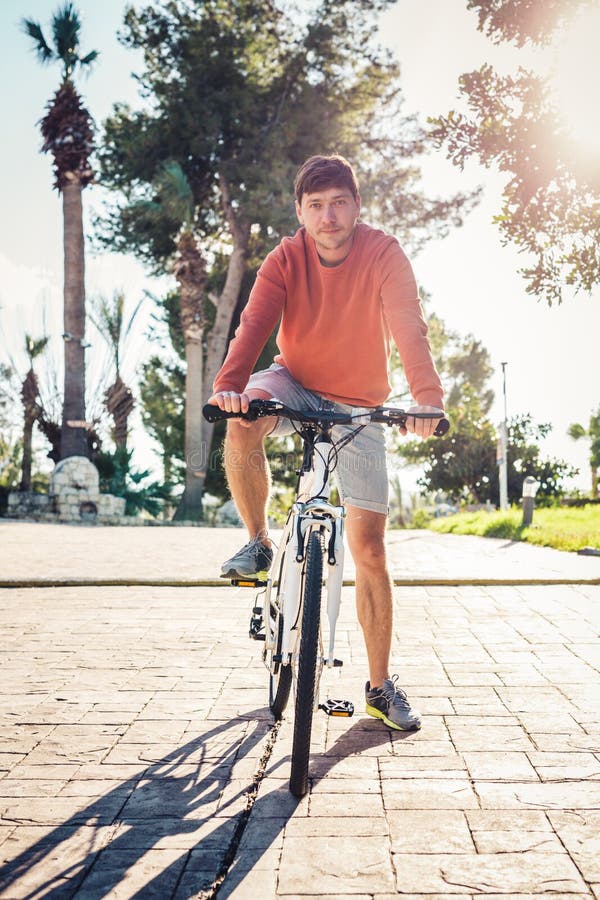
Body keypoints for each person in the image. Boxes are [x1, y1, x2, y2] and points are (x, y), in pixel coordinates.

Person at [207, 154, 445, 731]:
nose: (328, 215)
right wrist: (228, 388)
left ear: (356, 206)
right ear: (300, 212)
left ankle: (380, 686)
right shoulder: (285, 258)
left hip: (361, 406)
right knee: (243, 419)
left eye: (339, 202)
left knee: (369, 550)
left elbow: (409, 324)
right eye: (315, 206)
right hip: (295, 381)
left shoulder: (383, 253)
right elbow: (254, 324)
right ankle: (260, 542)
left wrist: (426, 399)